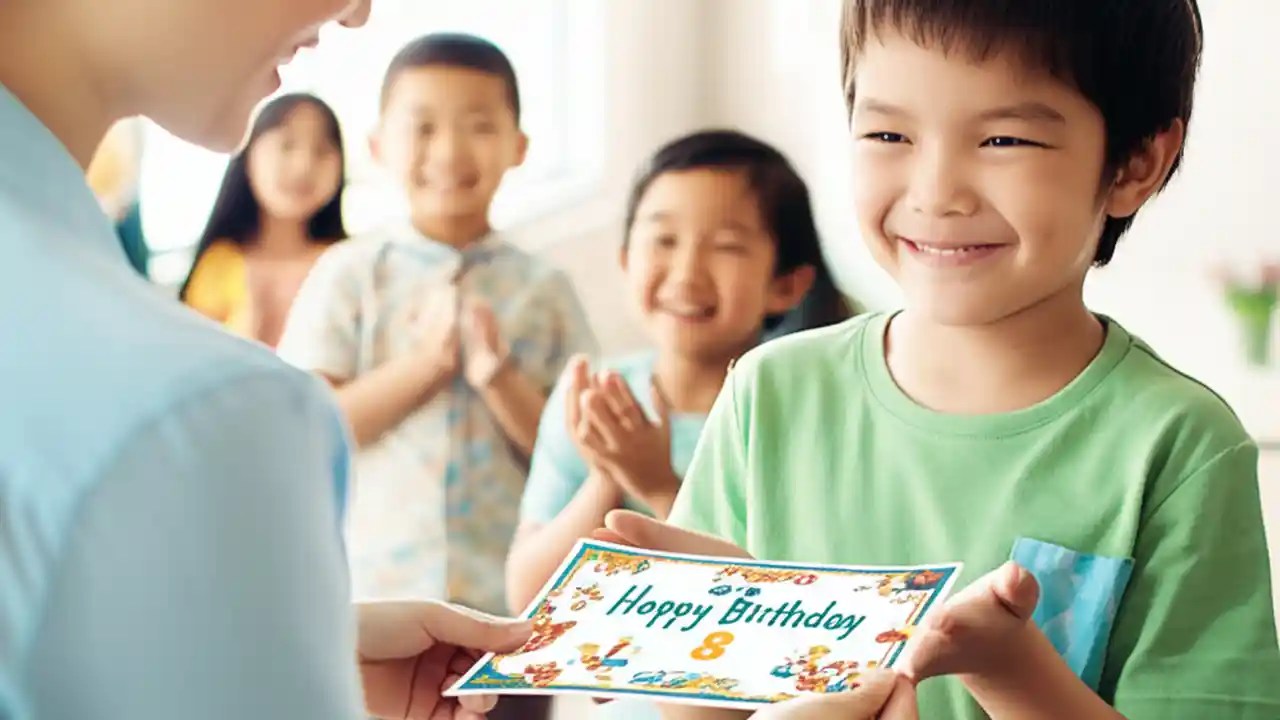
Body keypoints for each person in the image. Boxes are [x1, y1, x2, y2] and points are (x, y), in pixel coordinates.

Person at [600, 1, 1280, 719]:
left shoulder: (1178, 447)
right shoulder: (770, 395)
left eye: (1004, 140)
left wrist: (1016, 674)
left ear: (1136, 162)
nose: (935, 193)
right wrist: (706, 653)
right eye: (890, 132)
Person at [276, 32, 597, 720]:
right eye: (422, 127)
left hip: (510, 617)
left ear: (519, 145)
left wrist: (497, 374)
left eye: (479, 126)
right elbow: (309, 428)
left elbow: (578, 452)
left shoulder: (544, 289)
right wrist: (422, 369)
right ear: (378, 146)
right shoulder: (350, 274)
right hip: (372, 607)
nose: (450, 151)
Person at [507, 130, 851, 719]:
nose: (687, 272)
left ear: (787, 284)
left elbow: (783, 618)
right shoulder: (594, 395)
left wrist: (659, 484)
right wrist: (605, 479)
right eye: (663, 239)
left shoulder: (797, 411)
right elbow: (527, 601)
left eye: (726, 246)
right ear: (625, 259)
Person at [181, 92, 347, 348]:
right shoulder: (220, 263)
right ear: (248, 154)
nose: (303, 165)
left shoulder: (347, 262)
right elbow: (192, 358)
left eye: (322, 150)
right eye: (287, 145)